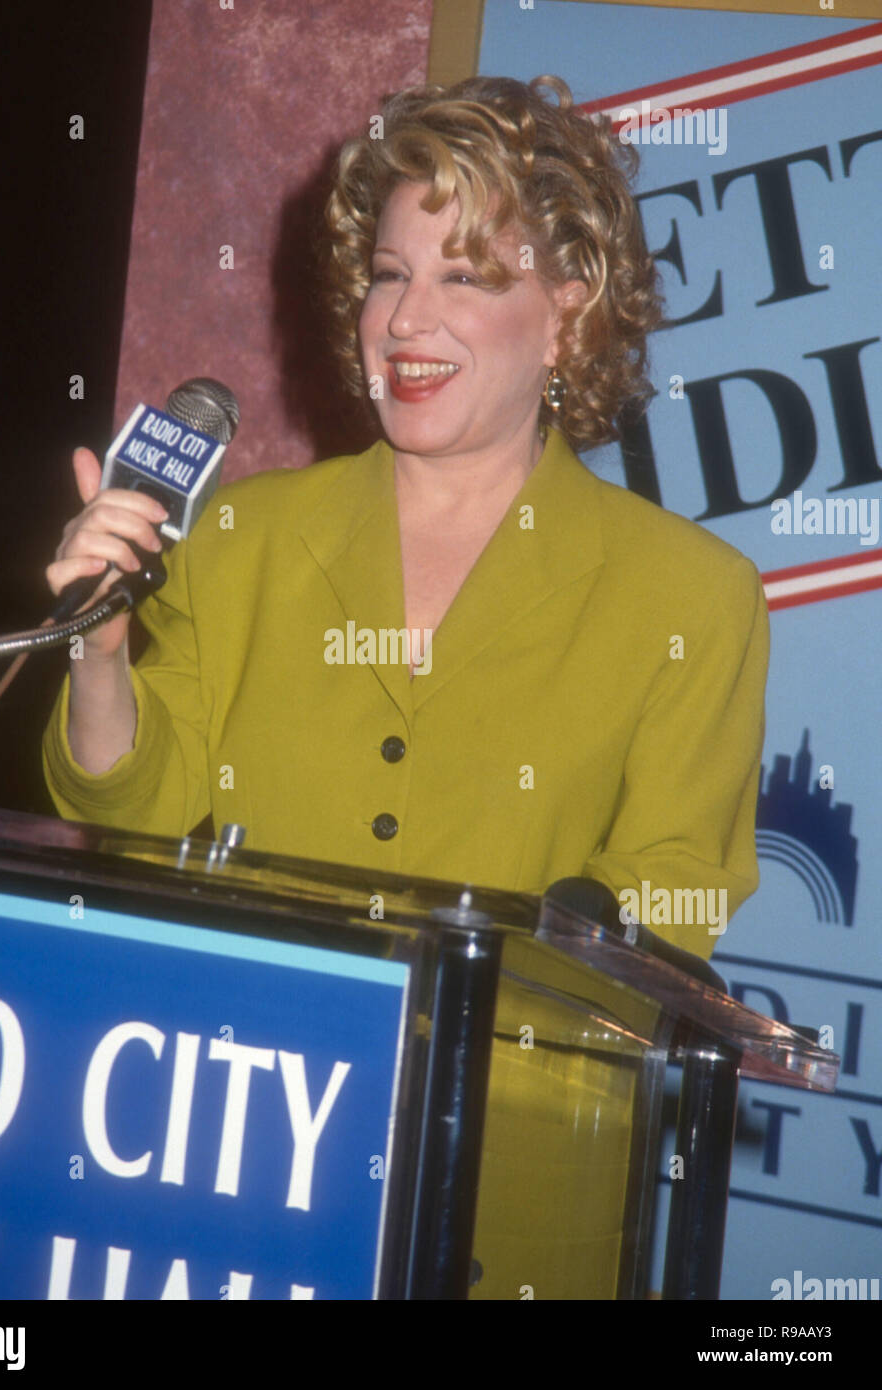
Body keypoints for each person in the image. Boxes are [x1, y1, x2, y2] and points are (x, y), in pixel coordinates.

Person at [42, 75, 769, 1298]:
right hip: (227, 1172)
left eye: (467, 276)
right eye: (389, 272)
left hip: (507, 1211)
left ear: (570, 312)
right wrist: (99, 646)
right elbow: (132, 814)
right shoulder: (242, 536)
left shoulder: (691, 597)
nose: (405, 319)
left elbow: (673, 910)